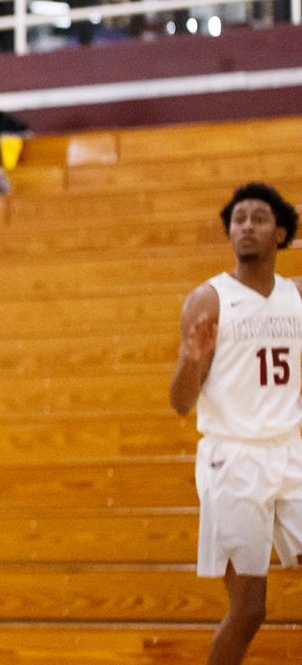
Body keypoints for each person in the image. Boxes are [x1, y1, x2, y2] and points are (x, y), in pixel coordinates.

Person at [168, 183, 302, 665]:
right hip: (234, 460)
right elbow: (181, 403)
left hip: (289, 453)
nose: (246, 225)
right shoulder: (209, 299)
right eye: (238, 218)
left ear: (282, 232)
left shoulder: (297, 295)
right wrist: (191, 358)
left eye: (259, 217)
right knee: (249, 611)